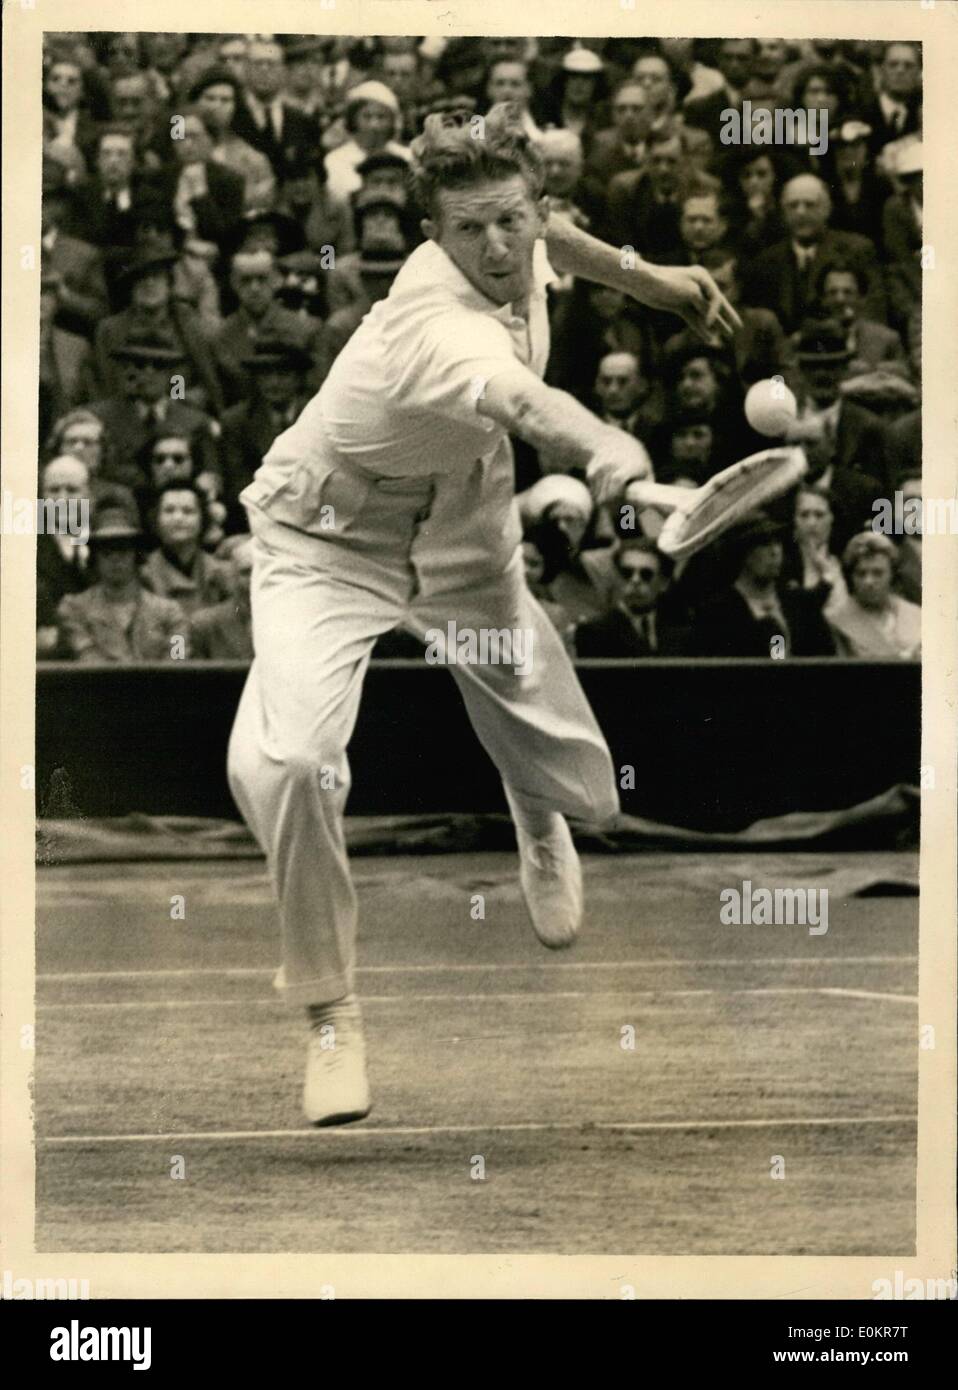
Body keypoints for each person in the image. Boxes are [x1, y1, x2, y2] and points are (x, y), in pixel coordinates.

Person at [225, 103, 739, 1127]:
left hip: (462, 519)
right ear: (433, 237)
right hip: (324, 539)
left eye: (509, 219)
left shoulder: (528, 233)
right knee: (284, 765)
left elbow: (561, 242)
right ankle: (331, 1013)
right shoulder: (435, 323)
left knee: (589, 794)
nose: (497, 246)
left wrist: (656, 283)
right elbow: (521, 402)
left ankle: (535, 804)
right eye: (469, 231)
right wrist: (609, 454)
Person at [57, 502, 189, 662]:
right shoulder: (74, 609)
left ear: (136, 555)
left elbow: (179, 658)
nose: (115, 558)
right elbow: (87, 657)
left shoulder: (171, 613)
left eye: (123, 549)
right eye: (106, 551)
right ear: (95, 558)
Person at [574, 538, 690, 656]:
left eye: (646, 574)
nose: (635, 580)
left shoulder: (684, 630)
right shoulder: (593, 632)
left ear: (664, 583)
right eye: (626, 573)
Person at [140, 482, 233, 614]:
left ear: (203, 520)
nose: (178, 518)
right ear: (156, 520)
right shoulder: (144, 575)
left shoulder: (221, 573)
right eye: (169, 510)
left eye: (188, 511)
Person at [827, 532, 921, 658]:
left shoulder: (916, 615)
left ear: (891, 576)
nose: (868, 581)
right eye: (861, 573)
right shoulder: (837, 619)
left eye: (877, 573)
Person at [190, 535, 255, 659]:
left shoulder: (295, 619)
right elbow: (180, 668)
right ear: (233, 576)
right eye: (246, 572)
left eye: (261, 570)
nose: (254, 578)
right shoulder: (204, 624)